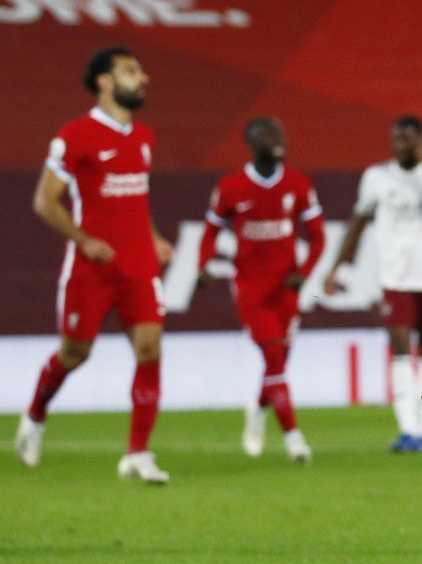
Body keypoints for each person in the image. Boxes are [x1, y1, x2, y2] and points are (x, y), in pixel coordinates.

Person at [17, 47, 173, 483]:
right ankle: (35, 415)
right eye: (131, 71)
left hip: (139, 264)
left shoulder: (144, 137)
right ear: (104, 81)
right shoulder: (76, 135)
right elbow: (44, 200)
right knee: (75, 352)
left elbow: (136, 197)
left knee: (150, 348)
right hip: (91, 267)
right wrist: (84, 240)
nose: (143, 78)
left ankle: (138, 453)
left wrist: (153, 237)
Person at [323, 116, 422, 452]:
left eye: (407, 139)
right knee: (401, 352)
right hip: (394, 279)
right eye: (396, 139)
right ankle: (408, 430)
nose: (399, 146)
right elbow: (358, 222)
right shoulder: (377, 177)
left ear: (421, 141)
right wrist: (336, 268)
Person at [197, 116, 323, 463]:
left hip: (286, 290)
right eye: (269, 135)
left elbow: (318, 236)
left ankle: (257, 410)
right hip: (251, 289)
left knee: (278, 363)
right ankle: (294, 439)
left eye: (279, 133)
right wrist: (202, 265)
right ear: (252, 143)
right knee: (274, 358)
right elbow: (210, 231)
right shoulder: (231, 187)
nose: (278, 140)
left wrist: (304, 272)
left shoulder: (298, 184)